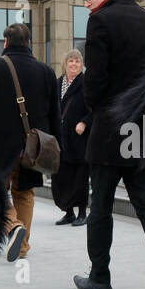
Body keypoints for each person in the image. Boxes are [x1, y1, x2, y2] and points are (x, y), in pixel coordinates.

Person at [72, 0, 145, 289]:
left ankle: (100, 277)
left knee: (99, 204)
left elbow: (95, 82)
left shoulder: (101, 22)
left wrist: (95, 108)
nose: (87, 5)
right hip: (143, 129)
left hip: (110, 131)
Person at [0, 22, 61, 262]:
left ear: (5, 42)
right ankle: (23, 246)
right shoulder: (46, 71)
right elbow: (55, 114)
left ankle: (12, 227)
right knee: (25, 193)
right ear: (29, 43)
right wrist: (58, 146)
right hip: (34, 147)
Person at [53, 48, 91, 226]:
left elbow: (94, 108)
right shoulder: (58, 82)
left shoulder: (86, 83)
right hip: (61, 138)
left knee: (80, 177)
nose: (74, 64)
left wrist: (84, 122)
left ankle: (82, 212)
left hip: (79, 138)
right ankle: (68, 212)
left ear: (81, 64)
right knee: (62, 176)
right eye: (71, 61)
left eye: (77, 61)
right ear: (65, 64)